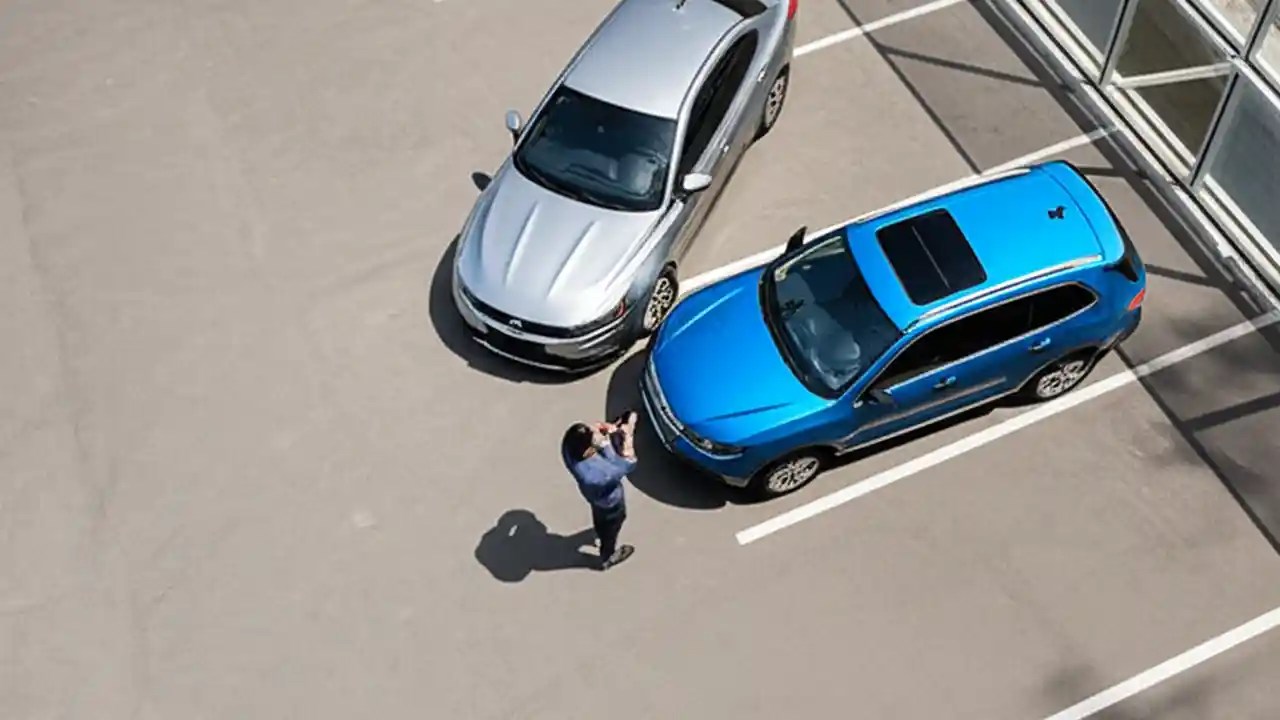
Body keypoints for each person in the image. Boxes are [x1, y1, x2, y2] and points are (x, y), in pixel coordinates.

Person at [561, 410, 639, 570]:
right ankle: (607, 556)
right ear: (589, 449)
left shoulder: (568, 448)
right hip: (610, 504)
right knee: (613, 523)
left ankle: (600, 530)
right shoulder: (598, 475)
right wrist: (626, 435)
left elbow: (591, 431)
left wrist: (603, 430)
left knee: (599, 517)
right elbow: (628, 464)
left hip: (594, 498)